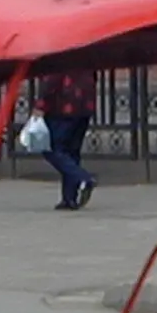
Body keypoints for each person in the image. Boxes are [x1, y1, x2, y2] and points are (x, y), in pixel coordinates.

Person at [36, 68, 98, 211]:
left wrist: (40, 106)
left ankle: (83, 178)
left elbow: (51, 81)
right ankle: (69, 198)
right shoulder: (85, 57)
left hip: (62, 107)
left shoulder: (60, 58)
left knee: (52, 149)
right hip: (84, 106)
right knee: (72, 152)